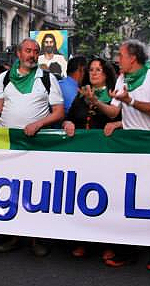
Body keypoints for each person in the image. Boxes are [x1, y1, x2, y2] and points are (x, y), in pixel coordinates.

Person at [0, 38, 64, 256]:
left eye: (35, 51)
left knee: (36, 193)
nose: (31, 54)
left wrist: (39, 123)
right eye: (27, 50)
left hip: (36, 146)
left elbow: (58, 112)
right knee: (12, 192)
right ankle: (13, 236)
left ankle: (36, 239)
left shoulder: (47, 79)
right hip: (9, 146)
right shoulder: (4, 78)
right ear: (19, 53)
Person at [98, 40, 150, 269]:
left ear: (133, 58)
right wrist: (95, 102)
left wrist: (131, 100)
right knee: (127, 200)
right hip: (129, 147)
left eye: (120, 55)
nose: (118, 59)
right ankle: (126, 250)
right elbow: (114, 111)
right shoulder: (121, 79)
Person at [60, 57, 121, 258]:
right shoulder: (81, 94)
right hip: (82, 156)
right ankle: (82, 240)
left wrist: (115, 123)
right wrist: (67, 124)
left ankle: (109, 244)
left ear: (107, 73)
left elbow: (124, 119)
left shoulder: (114, 94)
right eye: (91, 69)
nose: (94, 73)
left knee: (107, 199)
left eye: (99, 70)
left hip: (107, 156)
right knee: (83, 197)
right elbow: (70, 117)